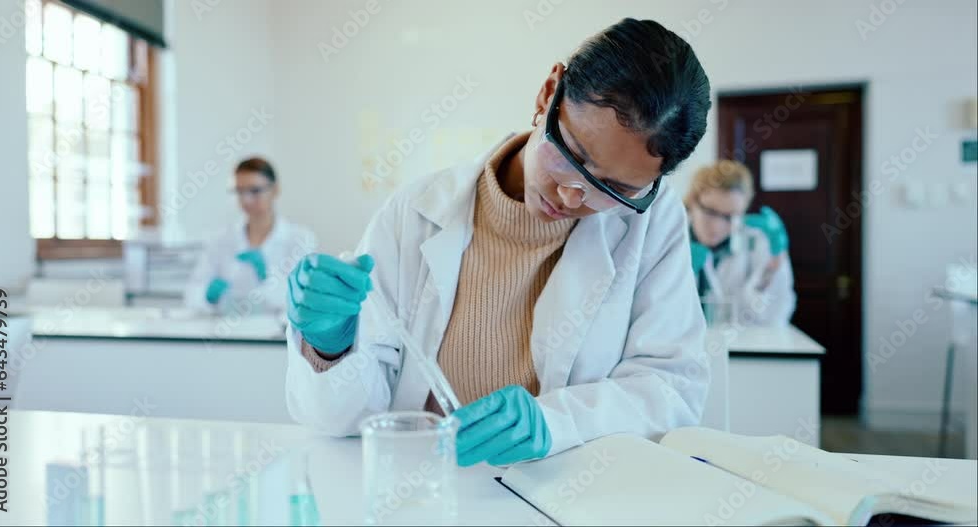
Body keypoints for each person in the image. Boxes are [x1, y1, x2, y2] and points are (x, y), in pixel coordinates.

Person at [286, 18, 712, 467]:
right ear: (549, 93)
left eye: (616, 190)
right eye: (574, 155)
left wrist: (556, 424)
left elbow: (671, 391)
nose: (572, 196)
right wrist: (329, 347)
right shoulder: (414, 212)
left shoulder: (653, 223)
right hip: (430, 486)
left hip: (563, 495)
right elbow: (347, 421)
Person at [184, 157, 317, 315]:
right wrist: (207, 295)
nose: (246, 199)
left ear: (275, 190)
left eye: (254, 191)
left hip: (275, 335)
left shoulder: (300, 239)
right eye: (239, 191)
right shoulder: (220, 239)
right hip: (227, 331)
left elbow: (303, 298)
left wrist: (267, 277)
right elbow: (191, 293)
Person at [685, 160, 796, 326]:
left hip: (738, 346)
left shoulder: (756, 242)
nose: (717, 226)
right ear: (692, 202)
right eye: (710, 212)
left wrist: (775, 263)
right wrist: (681, 274)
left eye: (729, 216)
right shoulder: (669, 238)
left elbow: (775, 317)